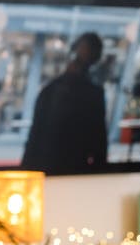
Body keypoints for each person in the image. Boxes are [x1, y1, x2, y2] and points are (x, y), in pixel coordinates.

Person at [21, 32, 108, 174]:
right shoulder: (51, 91)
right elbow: (35, 135)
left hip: (70, 169)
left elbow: (99, 141)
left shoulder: (92, 94)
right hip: (54, 168)